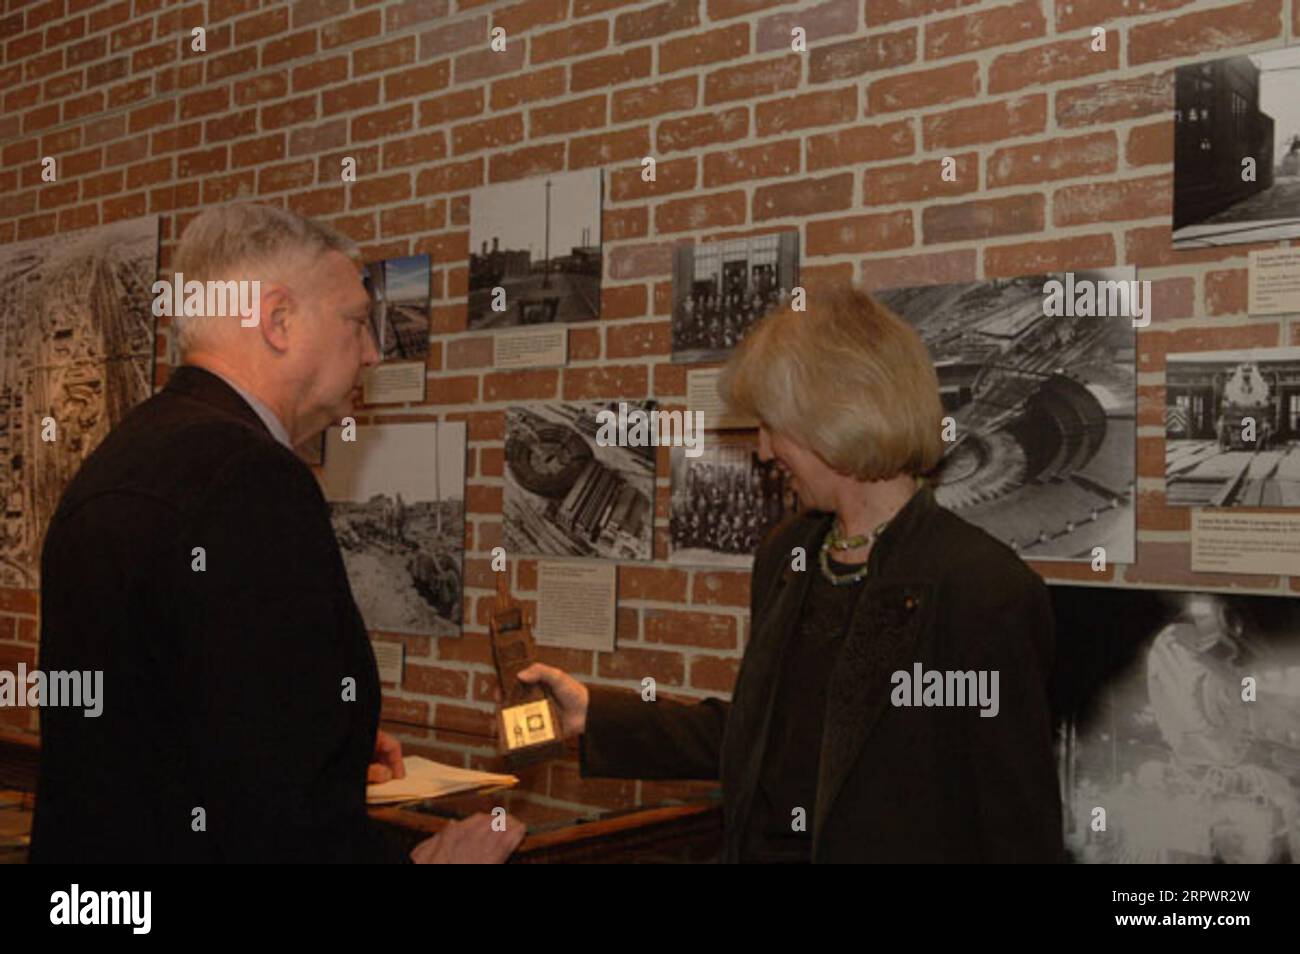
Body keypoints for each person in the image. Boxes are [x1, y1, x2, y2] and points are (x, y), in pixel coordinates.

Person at [32, 203, 523, 864]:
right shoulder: (250, 477)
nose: (374, 352)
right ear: (279, 320)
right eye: (355, 322)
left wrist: (334, 739)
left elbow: (177, 718)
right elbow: (276, 817)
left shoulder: (130, 450)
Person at [520, 285, 1063, 862]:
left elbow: (1018, 834)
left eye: (772, 425)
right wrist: (594, 714)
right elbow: (764, 736)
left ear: (835, 418)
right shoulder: (789, 555)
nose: (760, 450)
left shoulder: (981, 590)